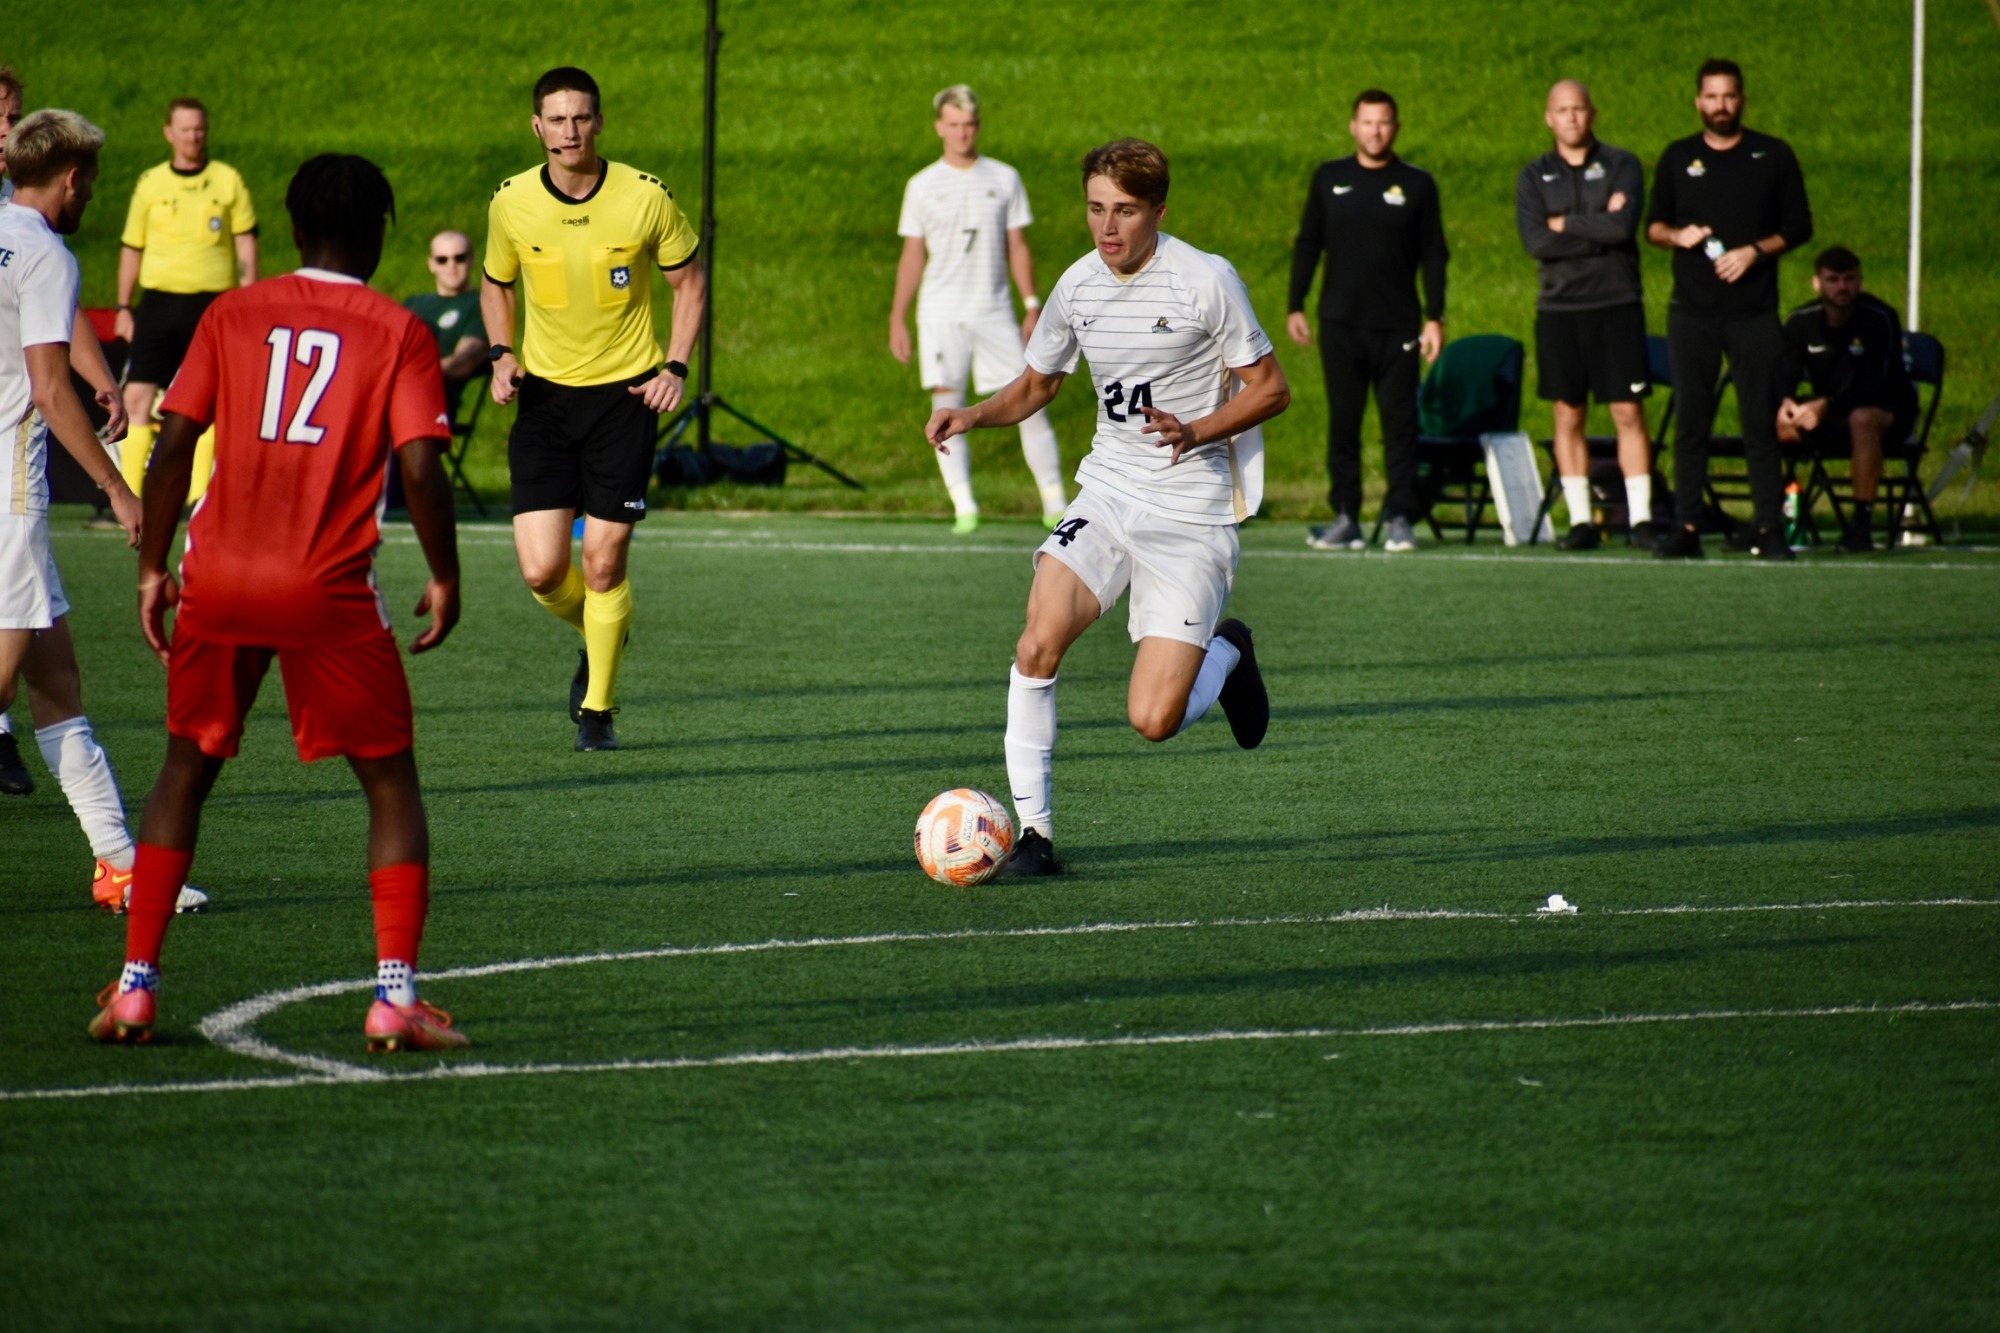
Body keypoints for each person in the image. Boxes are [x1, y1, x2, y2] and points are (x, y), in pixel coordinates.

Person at [89, 153, 466, 1052]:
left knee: (184, 770)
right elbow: (420, 465)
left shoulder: (232, 312)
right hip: (327, 586)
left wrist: (152, 567)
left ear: (293, 231)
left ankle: (136, 985)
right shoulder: (399, 329)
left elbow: (174, 442)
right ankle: (394, 995)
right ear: (379, 236)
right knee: (390, 783)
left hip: (219, 576)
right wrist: (446, 573)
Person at [925, 139, 1289, 876]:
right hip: (1110, 492)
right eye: (1096, 209)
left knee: (1153, 719)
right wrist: (971, 415)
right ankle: (1035, 835)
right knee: (1037, 642)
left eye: (1124, 211)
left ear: (1159, 210)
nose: (1107, 227)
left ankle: (1228, 653)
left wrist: (1196, 430)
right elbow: (1038, 384)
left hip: (1190, 513)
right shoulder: (1078, 284)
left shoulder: (1204, 280)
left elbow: (1271, 388)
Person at [0, 109, 208, 914]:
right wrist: (119, 489)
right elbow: (49, 389)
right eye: (89, 181)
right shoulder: (46, 252)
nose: (90, 194)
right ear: (72, 179)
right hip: (12, 489)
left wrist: (100, 379)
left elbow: (46, 346)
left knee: (57, 680)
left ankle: (119, 861)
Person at [482, 67, 706, 752]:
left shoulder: (645, 196)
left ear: (599, 123)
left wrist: (675, 366)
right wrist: (500, 353)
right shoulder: (511, 202)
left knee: (604, 564)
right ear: (537, 126)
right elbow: (496, 284)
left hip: (625, 399)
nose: (570, 131)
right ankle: (604, 628)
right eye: (557, 119)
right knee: (542, 571)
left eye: (581, 117)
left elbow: (690, 282)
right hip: (545, 401)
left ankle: (597, 711)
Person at [1646, 57, 1813, 560]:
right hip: (1692, 312)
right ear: (1698, 101)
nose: (1721, 105)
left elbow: (1799, 226)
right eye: (1712, 97)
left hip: (1753, 311)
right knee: (1691, 422)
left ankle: (1768, 526)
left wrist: (1754, 252)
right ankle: (1687, 526)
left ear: (1742, 99)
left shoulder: (1772, 154)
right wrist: (1678, 236)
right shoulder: (1679, 157)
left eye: (1729, 96)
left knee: (1759, 422)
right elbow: (1653, 227)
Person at [890, 85, 1066, 532]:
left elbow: (1018, 246)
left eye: (968, 124)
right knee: (946, 403)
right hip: (940, 313)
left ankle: (1055, 502)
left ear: (978, 126)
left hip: (994, 311)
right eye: (954, 125)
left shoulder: (1004, 178)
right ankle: (963, 505)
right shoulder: (921, 185)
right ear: (939, 127)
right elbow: (913, 254)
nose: (962, 133)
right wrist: (897, 317)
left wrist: (1032, 305)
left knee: (1028, 399)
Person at [1290, 89, 1447, 554]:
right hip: (1340, 324)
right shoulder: (1329, 178)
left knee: (1400, 426)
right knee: (1344, 424)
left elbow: (1434, 254)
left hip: (1398, 326)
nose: (1375, 131)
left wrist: (1434, 317)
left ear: (1395, 128)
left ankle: (1400, 516)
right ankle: (1346, 516)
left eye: (1383, 122)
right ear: (1353, 127)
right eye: (1367, 122)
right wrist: (1295, 304)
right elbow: (1308, 244)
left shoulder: (1417, 184)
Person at [1515, 80, 1658, 551]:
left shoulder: (1622, 164)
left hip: (1616, 302)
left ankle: (1641, 519)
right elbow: (1537, 241)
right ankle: (1580, 521)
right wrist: (1598, 227)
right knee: (1568, 412)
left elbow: (1623, 228)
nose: (1572, 117)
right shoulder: (1534, 175)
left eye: (1579, 108)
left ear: (1592, 113)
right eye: (1562, 110)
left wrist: (1565, 225)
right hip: (1560, 307)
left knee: (1627, 410)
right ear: (1548, 118)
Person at [112, 97, 257, 501]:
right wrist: (123, 306)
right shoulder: (151, 183)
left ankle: (198, 499)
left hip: (211, 307)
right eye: (186, 129)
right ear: (169, 134)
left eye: (199, 129)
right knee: (137, 397)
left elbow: (245, 244)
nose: (193, 136)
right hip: (158, 304)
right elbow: (132, 246)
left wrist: (249, 302)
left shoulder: (227, 180)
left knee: (210, 400)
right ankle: (130, 496)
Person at [1776, 246, 1917, 554]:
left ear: (1860, 281)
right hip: (1829, 412)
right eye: (1833, 280)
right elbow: (1785, 372)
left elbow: (1877, 385)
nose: (1842, 287)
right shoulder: (1801, 320)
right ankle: (1773, 517)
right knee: (1776, 422)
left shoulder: (1880, 318)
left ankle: (1861, 524)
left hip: (1886, 409)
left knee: (1861, 419)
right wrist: (1786, 403)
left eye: (1849, 279)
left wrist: (1827, 405)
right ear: (1817, 283)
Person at [405, 228, 487, 423]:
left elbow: (464, 362)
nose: (452, 266)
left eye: (459, 258)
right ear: (432, 264)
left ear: (471, 260)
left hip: (433, 399)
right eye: (442, 260)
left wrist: (409, 375)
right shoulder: (415, 302)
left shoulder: (480, 304)